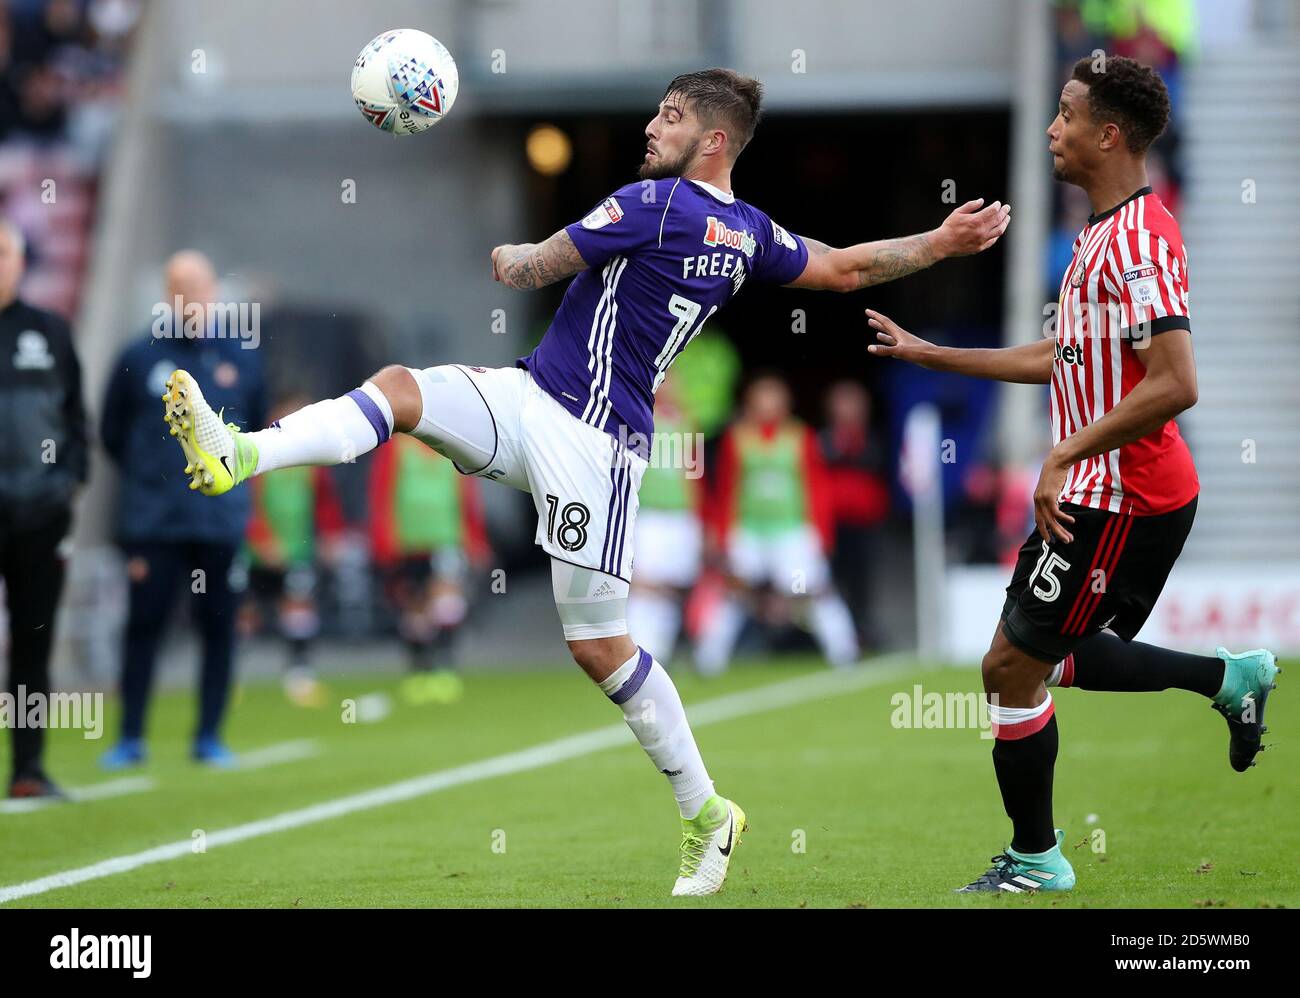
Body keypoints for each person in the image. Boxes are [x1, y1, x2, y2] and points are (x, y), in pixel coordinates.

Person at [152, 69, 1009, 895]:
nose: (651, 126)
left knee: (600, 647)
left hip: (595, 446)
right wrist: (939, 243)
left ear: (712, 140)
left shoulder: (652, 203)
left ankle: (705, 811)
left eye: (670, 116)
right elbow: (844, 269)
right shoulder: (746, 231)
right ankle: (240, 453)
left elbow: (533, 266)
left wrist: (507, 252)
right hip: (532, 395)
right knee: (400, 390)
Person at [865, 56, 1279, 894]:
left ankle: (1038, 857)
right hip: (1102, 492)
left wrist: (1061, 454)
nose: (1052, 129)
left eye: (1065, 114)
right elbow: (1064, 356)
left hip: (1126, 495)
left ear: (1108, 134)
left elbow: (1177, 383)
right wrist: (927, 352)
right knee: (1037, 657)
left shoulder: (1140, 242)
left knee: (1011, 666)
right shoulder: (1097, 232)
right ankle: (1229, 679)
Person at [99, 251, 264, 769]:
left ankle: (209, 736)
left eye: (197, 285)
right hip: (155, 523)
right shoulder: (138, 356)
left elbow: (254, 433)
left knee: (218, 625)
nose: (189, 295)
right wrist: (152, 483)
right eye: (178, 286)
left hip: (219, 521)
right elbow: (111, 433)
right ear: (165, 293)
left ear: (214, 290)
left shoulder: (243, 356)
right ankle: (130, 738)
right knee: (144, 623)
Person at [0, 218, 88, 799]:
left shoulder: (49, 332)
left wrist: (64, 488)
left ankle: (28, 770)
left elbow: (78, 423)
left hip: (39, 521)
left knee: (33, 644)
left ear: (19, 259)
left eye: (2, 251)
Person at [695, 375, 859, 673]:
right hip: (749, 531)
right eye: (761, 399)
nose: (767, 406)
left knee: (813, 590)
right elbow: (727, 489)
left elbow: (817, 487)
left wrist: (821, 534)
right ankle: (709, 658)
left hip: (791, 531)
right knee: (735, 592)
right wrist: (722, 533)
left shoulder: (800, 437)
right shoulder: (737, 438)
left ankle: (844, 652)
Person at [241, 394, 346, 709]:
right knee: (245, 613)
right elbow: (245, 505)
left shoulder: (312, 463)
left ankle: (299, 677)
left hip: (296, 553)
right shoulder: (255, 454)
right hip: (255, 554)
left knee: (298, 609)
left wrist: (331, 537)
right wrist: (261, 539)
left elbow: (326, 504)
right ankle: (234, 678)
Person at [368, 433, 490, 706]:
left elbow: (467, 496)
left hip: (446, 538)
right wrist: (383, 541)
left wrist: (475, 538)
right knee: (414, 607)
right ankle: (419, 670)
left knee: (447, 598)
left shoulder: (452, 447)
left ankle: (445, 668)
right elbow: (381, 492)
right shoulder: (396, 447)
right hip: (408, 542)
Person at [625, 375, 704, 664]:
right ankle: (636, 651)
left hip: (680, 517)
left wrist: (697, 518)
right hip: (647, 515)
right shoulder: (633, 419)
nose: (670, 387)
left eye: (674, 381)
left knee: (673, 584)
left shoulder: (688, 424)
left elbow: (693, 475)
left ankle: (659, 652)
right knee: (643, 581)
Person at [818, 380, 889, 649]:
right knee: (830, 580)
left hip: (864, 523)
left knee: (862, 580)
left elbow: (876, 466)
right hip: (833, 523)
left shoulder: (873, 438)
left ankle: (862, 631)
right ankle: (837, 637)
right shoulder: (823, 439)